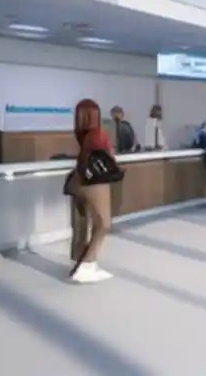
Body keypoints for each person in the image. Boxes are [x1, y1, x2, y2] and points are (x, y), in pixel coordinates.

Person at [67, 99, 113, 283]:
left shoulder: (81, 135)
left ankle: (81, 262)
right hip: (95, 183)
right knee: (103, 223)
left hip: (77, 182)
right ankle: (87, 264)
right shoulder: (98, 135)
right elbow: (106, 157)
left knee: (81, 224)